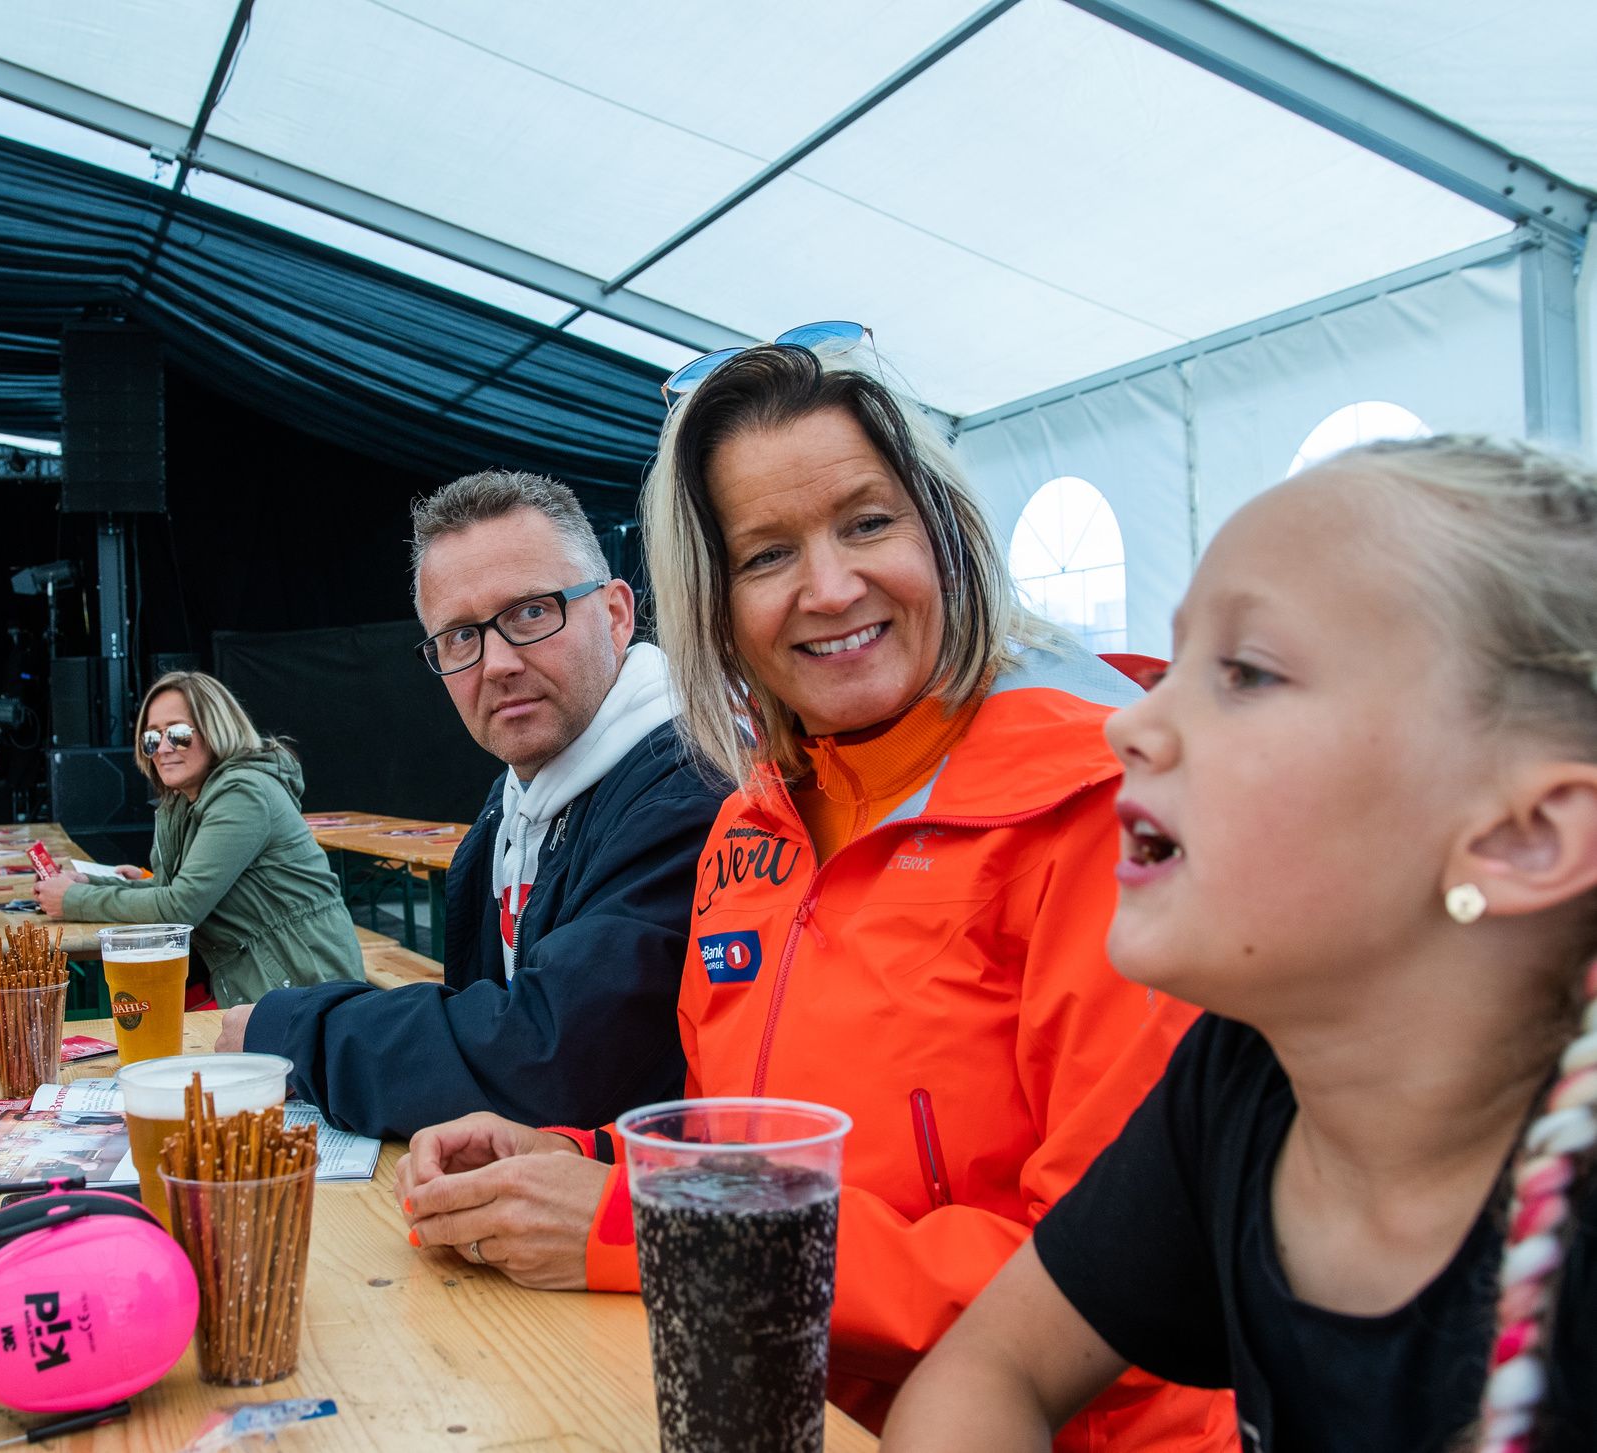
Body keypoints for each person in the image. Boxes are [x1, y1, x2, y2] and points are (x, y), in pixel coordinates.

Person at [397, 334, 1233, 1448]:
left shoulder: (1100, 815)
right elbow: (750, 1145)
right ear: (714, 603)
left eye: (866, 521)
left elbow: (1106, 1271)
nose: (828, 586)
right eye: (764, 553)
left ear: (942, 533)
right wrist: (575, 1159)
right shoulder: (753, 820)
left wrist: (649, 1223)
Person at [882, 436, 1597, 1453]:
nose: (1129, 723)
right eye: (1172, 666)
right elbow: (990, 1367)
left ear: (1523, 837)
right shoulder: (1245, 1079)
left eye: (1248, 673)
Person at [219, 470, 723, 1139]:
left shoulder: (690, 787)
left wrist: (290, 1030)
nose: (496, 663)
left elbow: (550, 1060)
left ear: (616, 613)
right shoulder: (515, 797)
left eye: (531, 612)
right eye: (460, 635)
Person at [35, 670, 366, 1007]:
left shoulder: (243, 793)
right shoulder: (187, 800)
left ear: (216, 729)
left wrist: (74, 899)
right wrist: (89, 885)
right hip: (257, 978)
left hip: (304, 984)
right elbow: (171, 893)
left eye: (177, 734)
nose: (162, 748)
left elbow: (179, 908)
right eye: (151, 738)